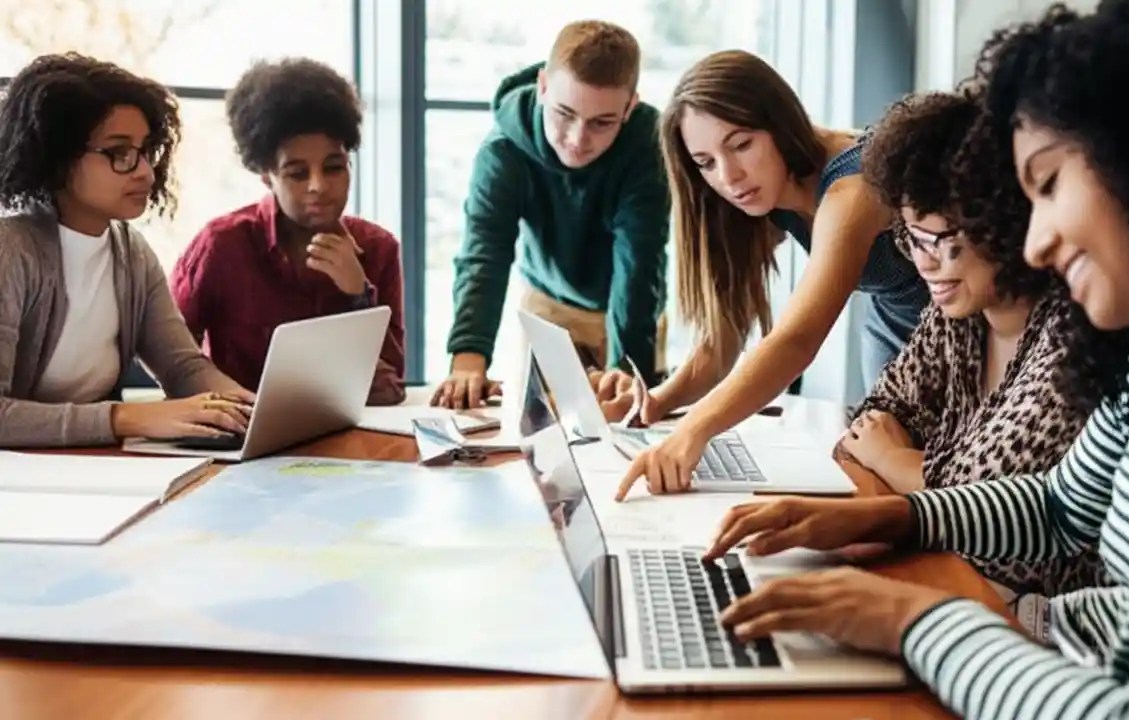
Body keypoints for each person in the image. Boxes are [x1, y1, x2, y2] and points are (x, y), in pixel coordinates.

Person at [705, 2, 1129, 718]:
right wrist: (894, 521)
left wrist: (910, 621)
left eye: (1048, 185)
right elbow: (1059, 506)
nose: (1034, 245)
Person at [614, 50, 929, 499]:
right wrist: (657, 403)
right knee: (880, 481)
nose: (729, 176)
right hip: (895, 325)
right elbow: (721, 340)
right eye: (705, 162)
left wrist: (693, 431)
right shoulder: (754, 196)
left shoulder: (851, 189)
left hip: (976, 329)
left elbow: (797, 340)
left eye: (741, 145)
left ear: (780, 124)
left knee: (931, 484)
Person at [840, 90, 1108, 599]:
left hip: (1042, 615)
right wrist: (918, 464)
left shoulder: (1073, 328)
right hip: (963, 582)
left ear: (1005, 225)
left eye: (946, 243)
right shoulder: (959, 314)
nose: (924, 264)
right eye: (913, 239)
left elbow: (991, 517)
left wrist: (897, 460)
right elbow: (874, 415)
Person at [0, 53, 254, 449]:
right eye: (119, 153)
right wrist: (129, 417)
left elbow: (182, 366)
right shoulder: (10, 250)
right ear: (57, 157)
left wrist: (249, 410)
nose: (145, 173)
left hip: (91, 466)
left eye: (146, 150)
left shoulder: (130, 252)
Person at [431, 19, 670, 410]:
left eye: (602, 122)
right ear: (543, 86)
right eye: (564, 113)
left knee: (627, 422)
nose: (577, 139)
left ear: (630, 107)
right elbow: (485, 254)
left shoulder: (648, 151)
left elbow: (639, 260)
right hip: (548, 307)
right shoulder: (503, 152)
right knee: (543, 431)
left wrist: (627, 367)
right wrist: (468, 357)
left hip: (630, 308)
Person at [171, 58, 406, 406]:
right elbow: (171, 354)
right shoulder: (222, 245)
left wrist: (358, 296)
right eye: (297, 173)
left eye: (334, 168)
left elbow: (391, 385)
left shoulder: (377, 248)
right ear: (267, 176)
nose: (318, 186)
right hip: (241, 435)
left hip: (348, 439)